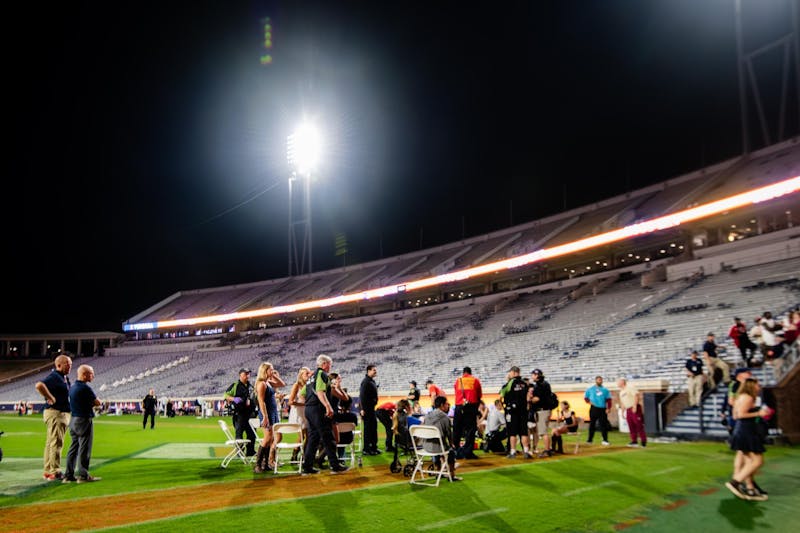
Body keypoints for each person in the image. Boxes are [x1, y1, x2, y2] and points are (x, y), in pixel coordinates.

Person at [302, 354, 349, 474]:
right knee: (328, 437)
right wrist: (328, 406)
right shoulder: (322, 374)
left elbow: (301, 394)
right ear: (324, 364)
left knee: (313, 439)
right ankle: (335, 466)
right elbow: (320, 392)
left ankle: (307, 467)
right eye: (329, 364)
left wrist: (309, 404)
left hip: (309, 409)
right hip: (318, 409)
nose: (330, 367)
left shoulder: (311, 377)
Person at [725, 378, 770, 501]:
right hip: (746, 431)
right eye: (757, 384)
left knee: (749, 461)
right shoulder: (748, 397)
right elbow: (740, 415)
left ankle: (750, 489)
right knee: (757, 461)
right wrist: (758, 414)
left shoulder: (740, 396)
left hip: (742, 430)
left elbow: (735, 415)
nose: (759, 386)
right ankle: (736, 482)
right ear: (751, 385)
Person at [35, 354, 72, 481]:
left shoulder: (64, 378)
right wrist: (50, 397)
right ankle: (54, 471)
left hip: (60, 412)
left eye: (70, 364)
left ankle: (48, 470)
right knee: (56, 443)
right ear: (59, 365)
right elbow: (39, 385)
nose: (70, 366)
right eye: (67, 363)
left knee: (51, 442)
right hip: (56, 412)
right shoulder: (55, 376)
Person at [62, 364, 102, 483]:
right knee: (85, 448)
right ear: (84, 375)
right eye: (91, 373)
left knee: (73, 448)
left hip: (73, 419)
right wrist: (96, 401)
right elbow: (97, 402)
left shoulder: (73, 387)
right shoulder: (85, 388)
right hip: (83, 420)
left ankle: (68, 475)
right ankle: (83, 475)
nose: (93, 375)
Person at [253, 362, 285, 473]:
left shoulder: (268, 382)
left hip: (273, 412)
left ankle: (266, 463)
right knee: (267, 438)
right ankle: (257, 465)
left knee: (271, 438)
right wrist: (265, 417)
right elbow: (261, 401)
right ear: (264, 370)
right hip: (267, 413)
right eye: (270, 369)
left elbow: (282, 384)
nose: (272, 371)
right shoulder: (261, 384)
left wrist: (274, 375)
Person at [423, 395, 462, 481]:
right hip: (437, 448)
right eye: (446, 404)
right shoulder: (445, 417)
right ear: (442, 405)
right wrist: (452, 444)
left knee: (437, 445)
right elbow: (449, 434)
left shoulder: (427, 416)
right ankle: (452, 475)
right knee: (451, 451)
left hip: (426, 447)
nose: (448, 406)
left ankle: (438, 472)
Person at [500, 366, 533, 459]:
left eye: (510, 372)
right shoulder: (524, 383)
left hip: (512, 411)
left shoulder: (510, 383)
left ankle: (513, 452)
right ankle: (526, 451)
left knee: (512, 432)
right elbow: (528, 396)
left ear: (513, 373)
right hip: (523, 411)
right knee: (523, 432)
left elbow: (501, 394)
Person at [223, 368, 256, 457]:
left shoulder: (251, 386)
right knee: (239, 433)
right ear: (240, 375)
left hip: (250, 414)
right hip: (240, 414)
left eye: (248, 374)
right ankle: (240, 452)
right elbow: (225, 395)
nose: (247, 376)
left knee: (252, 434)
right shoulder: (235, 385)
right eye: (245, 374)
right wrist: (234, 399)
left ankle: (250, 451)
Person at [453, 366, 482, 459]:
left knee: (457, 429)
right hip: (470, 407)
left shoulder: (458, 380)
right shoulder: (475, 380)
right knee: (470, 430)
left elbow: (456, 392)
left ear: (463, 373)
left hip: (458, 407)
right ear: (470, 372)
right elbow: (479, 395)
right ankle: (468, 452)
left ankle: (456, 451)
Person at [529, 369, 554, 456]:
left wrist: (530, 400)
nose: (532, 376)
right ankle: (548, 449)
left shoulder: (539, 385)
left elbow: (537, 399)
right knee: (544, 431)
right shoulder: (546, 383)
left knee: (543, 432)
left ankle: (547, 450)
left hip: (542, 411)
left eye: (533, 375)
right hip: (546, 410)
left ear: (536, 375)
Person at [287, 366, 310, 459]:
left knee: (308, 436)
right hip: (299, 413)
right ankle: (296, 454)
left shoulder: (309, 385)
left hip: (307, 412)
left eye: (309, 373)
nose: (308, 375)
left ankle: (302, 455)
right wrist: (303, 404)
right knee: (303, 435)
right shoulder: (296, 385)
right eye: (306, 373)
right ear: (301, 375)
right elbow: (290, 401)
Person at [617, 378, 646, 447]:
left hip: (634, 408)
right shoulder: (621, 392)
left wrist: (635, 406)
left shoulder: (630, 387)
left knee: (639, 425)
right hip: (628, 409)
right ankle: (634, 441)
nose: (617, 384)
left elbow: (636, 395)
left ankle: (643, 442)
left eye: (618, 382)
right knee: (631, 426)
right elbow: (623, 402)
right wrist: (623, 411)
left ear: (622, 382)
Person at [584, 375, 612, 445]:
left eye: (601, 380)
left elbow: (609, 400)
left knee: (603, 425)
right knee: (592, 424)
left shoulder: (605, 390)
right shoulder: (590, 389)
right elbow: (586, 398)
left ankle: (605, 440)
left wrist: (608, 408)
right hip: (594, 408)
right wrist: (590, 402)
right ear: (596, 380)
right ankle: (590, 440)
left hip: (602, 409)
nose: (600, 381)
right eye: (599, 380)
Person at [360, 364, 380, 455]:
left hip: (371, 408)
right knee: (368, 429)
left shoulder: (371, 381)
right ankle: (366, 449)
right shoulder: (365, 382)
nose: (375, 371)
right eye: (374, 370)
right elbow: (362, 396)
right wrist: (362, 409)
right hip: (367, 409)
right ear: (368, 371)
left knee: (373, 428)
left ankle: (374, 447)